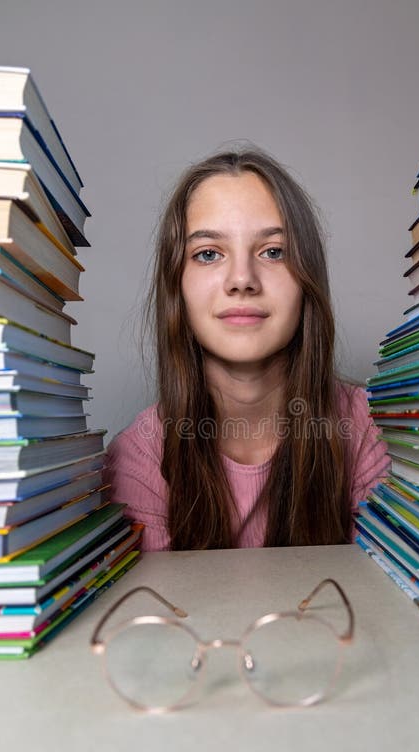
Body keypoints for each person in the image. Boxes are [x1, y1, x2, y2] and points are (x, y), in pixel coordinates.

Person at [104, 147, 389, 551]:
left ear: (308, 279)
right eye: (208, 254)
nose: (242, 279)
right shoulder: (140, 457)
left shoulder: (367, 430)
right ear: (176, 287)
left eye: (273, 251)